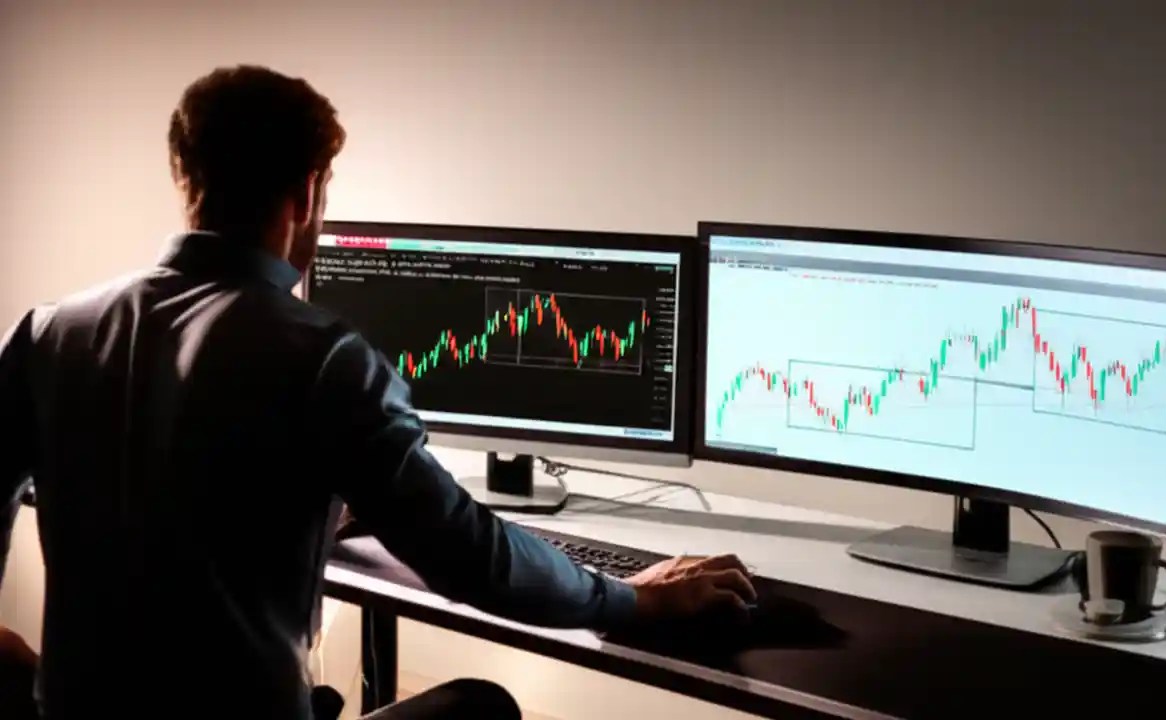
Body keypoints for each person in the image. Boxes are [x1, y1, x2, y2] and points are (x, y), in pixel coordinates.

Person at [0, 65, 756, 720]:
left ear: (184, 177)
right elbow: (470, 558)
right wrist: (629, 597)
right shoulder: (323, 358)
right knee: (479, 705)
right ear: (308, 190)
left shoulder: (47, 332)